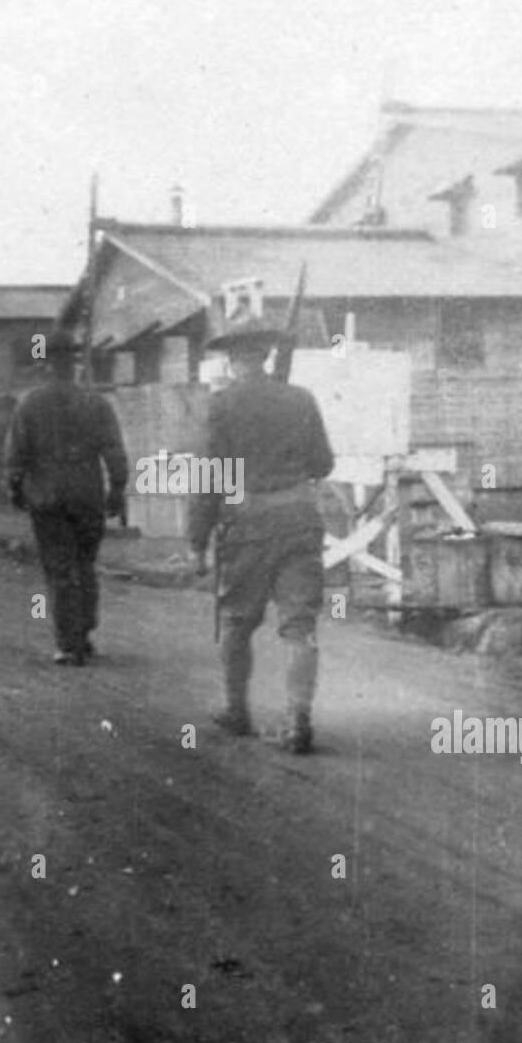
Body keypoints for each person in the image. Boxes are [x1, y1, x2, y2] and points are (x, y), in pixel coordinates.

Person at [188, 317, 334, 752]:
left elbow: (210, 480)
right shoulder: (301, 399)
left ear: (234, 359)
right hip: (299, 522)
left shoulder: (222, 405)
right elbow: (322, 464)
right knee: (300, 627)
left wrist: (197, 542)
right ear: (267, 356)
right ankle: (297, 719)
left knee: (236, 621)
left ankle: (237, 711)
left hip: (247, 525)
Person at [4, 327, 129, 665]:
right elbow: (115, 451)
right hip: (87, 493)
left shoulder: (29, 404)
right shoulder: (95, 402)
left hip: (46, 496)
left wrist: (16, 489)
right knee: (85, 565)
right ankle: (84, 633)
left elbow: (16, 454)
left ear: (45, 364)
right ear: (73, 364)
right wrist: (117, 489)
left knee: (59, 569)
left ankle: (67, 643)